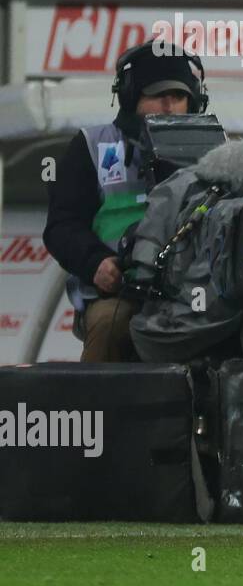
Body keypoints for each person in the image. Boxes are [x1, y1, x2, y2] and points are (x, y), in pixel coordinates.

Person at [43, 42, 208, 363]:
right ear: (131, 97)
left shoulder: (213, 149)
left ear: (194, 100)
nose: (169, 106)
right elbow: (61, 226)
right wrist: (96, 264)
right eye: (157, 95)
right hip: (119, 290)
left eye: (178, 96)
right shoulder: (91, 145)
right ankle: (97, 412)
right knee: (111, 324)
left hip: (194, 292)